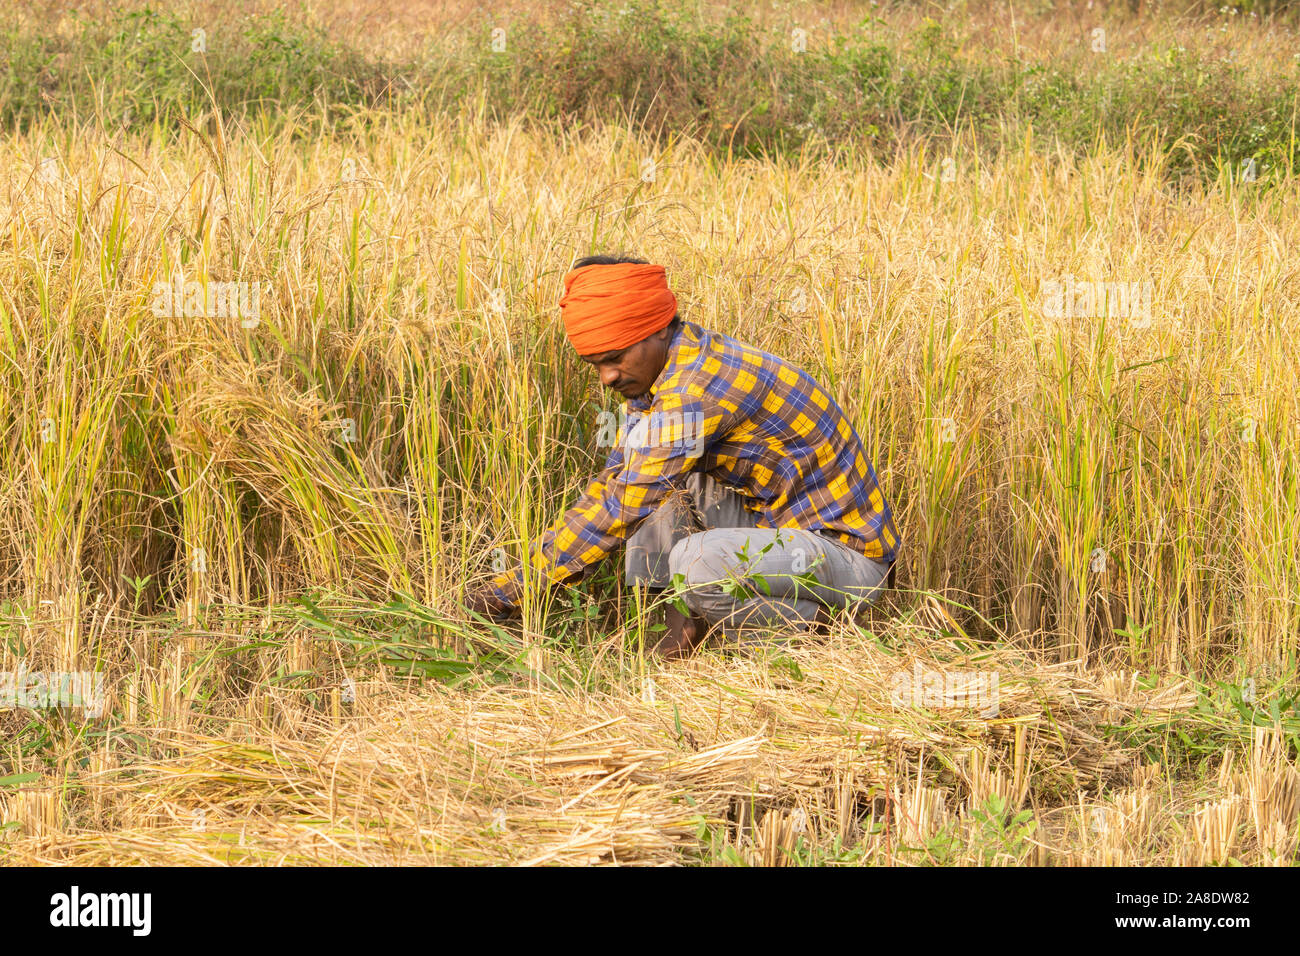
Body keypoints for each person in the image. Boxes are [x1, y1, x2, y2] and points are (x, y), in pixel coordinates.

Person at [464, 254, 899, 658]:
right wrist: (521, 581)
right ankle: (680, 631)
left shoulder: (697, 391)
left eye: (614, 358)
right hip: (778, 534)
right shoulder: (667, 372)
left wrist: (511, 591)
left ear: (657, 329)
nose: (606, 377)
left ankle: (816, 634)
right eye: (594, 364)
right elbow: (618, 482)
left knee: (697, 560)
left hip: (843, 560)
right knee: (656, 478)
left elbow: (620, 506)